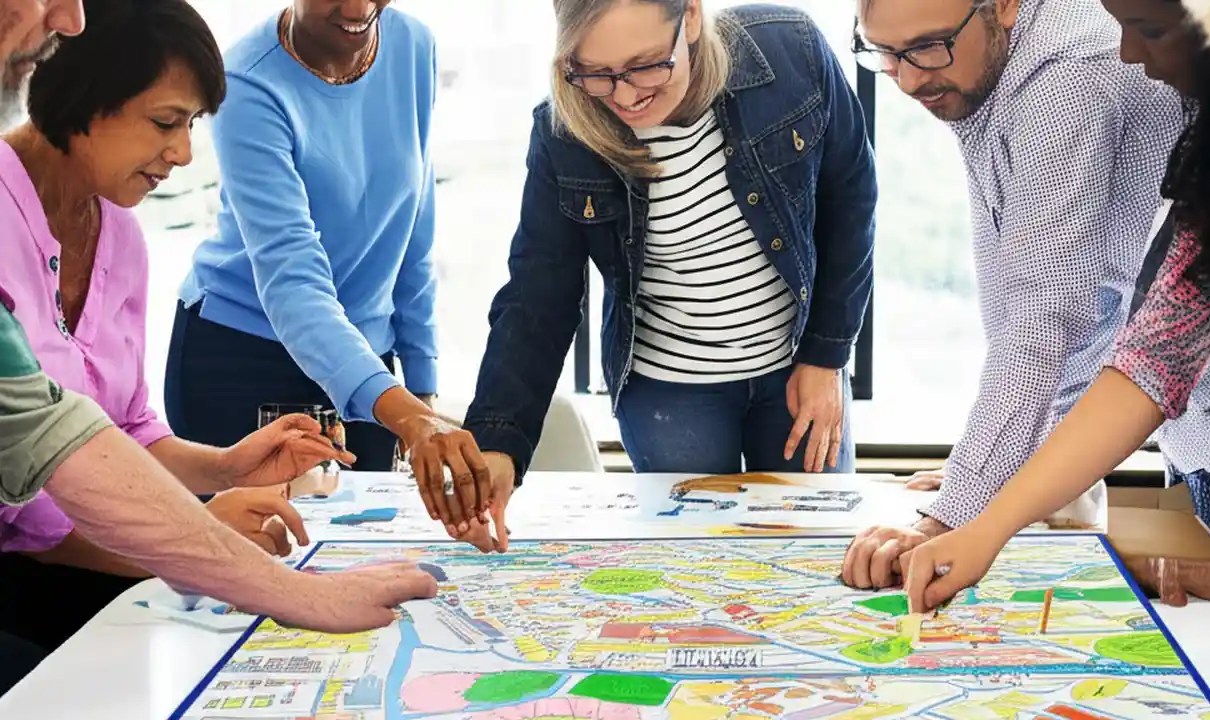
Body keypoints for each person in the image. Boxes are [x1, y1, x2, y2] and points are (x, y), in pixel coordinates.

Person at [0, 0, 438, 690]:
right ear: (85, 95)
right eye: (165, 123)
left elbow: (127, 431)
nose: (181, 154)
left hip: (85, 586)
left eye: (191, 126)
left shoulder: (118, 231)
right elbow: (26, 508)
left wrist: (228, 467)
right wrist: (204, 544)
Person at [898, 0, 1210, 619]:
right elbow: (1152, 360)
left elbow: (1051, 320)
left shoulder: (1069, 80)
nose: (1127, 54)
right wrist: (986, 521)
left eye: (1150, 30)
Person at [463, 0, 877, 553]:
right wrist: (498, 443)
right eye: (597, 74)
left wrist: (828, 355)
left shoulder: (790, 50)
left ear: (691, 18)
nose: (627, 96)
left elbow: (851, 198)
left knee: (816, 553)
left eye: (646, 65)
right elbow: (538, 295)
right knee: (696, 568)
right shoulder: (565, 132)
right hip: (670, 395)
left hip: (801, 375)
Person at [839, 0, 1184, 590]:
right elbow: (1081, 299)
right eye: (886, 54)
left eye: (927, 46)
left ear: (1002, 6)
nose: (910, 79)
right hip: (1157, 400)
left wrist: (954, 512)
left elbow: (1048, 321)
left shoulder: (1067, 83)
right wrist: (988, 468)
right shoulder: (981, 70)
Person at [167, 0, 492, 539]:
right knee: (259, 577)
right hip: (242, 356)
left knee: (364, 565)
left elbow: (414, 225)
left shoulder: (412, 45)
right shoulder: (247, 83)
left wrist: (422, 392)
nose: (359, 7)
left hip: (370, 371)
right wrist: (408, 415)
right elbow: (293, 280)